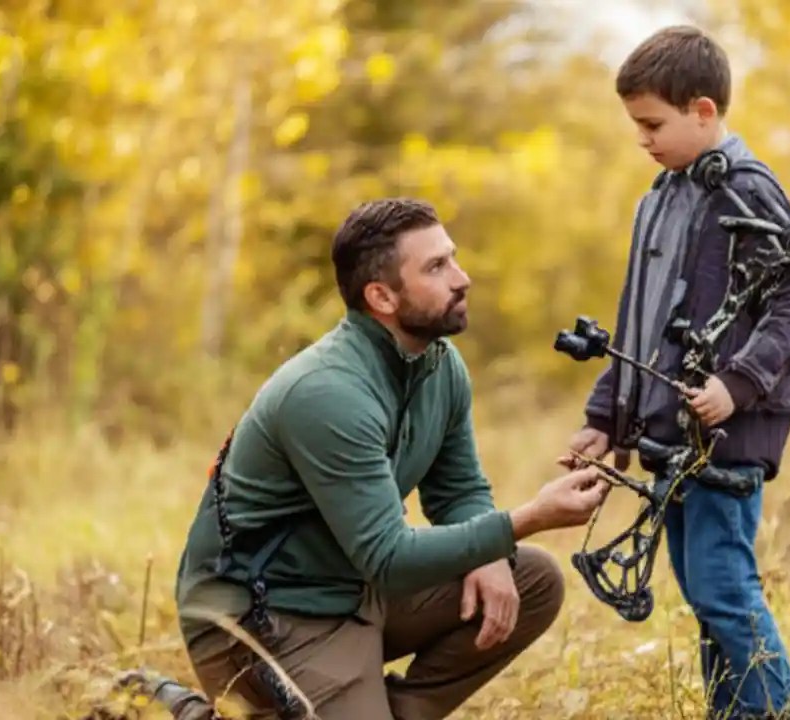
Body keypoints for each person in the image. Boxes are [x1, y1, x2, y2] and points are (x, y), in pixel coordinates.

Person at [107, 197, 610, 720]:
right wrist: (526, 520)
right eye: (436, 267)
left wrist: (489, 552)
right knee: (505, 548)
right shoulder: (327, 394)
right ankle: (164, 707)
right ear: (381, 296)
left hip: (357, 591)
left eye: (453, 258)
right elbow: (388, 559)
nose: (462, 278)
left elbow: (457, 491)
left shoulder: (439, 366)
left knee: (532, 581)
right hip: (263, 618)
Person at [562, 26, 790, 720]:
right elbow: (639, 319)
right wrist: (604, 418)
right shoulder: (661, 196)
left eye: (653, 124)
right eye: (637, 125)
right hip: (669, 441)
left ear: (703, 112)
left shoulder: (747, 190)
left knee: (724, 591)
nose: (642, 138)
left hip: (723, 441)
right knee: (705, 594)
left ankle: (774, 714)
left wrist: (736, 386)